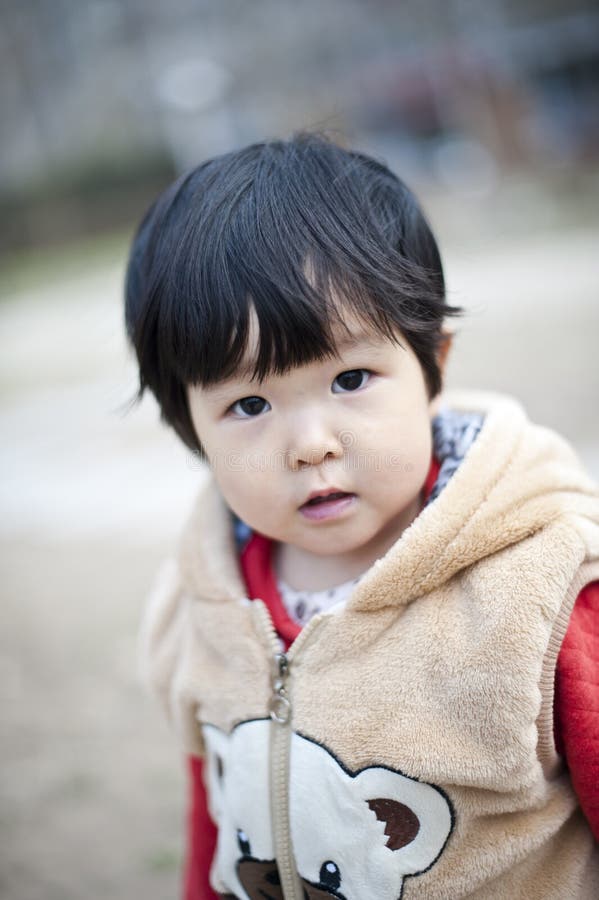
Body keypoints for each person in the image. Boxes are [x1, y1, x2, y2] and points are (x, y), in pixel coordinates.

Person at [124, 133, 599, 899]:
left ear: (433, 364)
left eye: (350, 379)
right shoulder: (196, 604)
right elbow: (217, 817)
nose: (310, 444)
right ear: (190, 426)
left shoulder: (538, 590)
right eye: (249, 404)